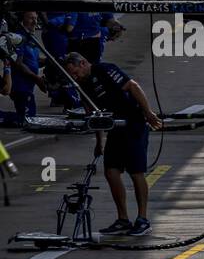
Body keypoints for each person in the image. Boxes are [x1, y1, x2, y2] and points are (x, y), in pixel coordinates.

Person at [58, 51, 162, 237]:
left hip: (133, 123)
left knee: (136, 171)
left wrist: (148, 112)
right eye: (71, 74)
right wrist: (100, 141)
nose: (75, 76)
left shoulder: (105, 70)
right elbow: (94, 116)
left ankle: (142, 219)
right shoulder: (83, 86)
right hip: (114, 127)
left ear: (83, 63)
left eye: (76, 72)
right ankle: (123, 219)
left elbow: (132, 86)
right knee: (111, 171)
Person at [6, 12, 43, 121]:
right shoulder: (18, 38)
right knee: (26, 119)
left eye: (36, 18)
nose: (35, 22)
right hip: (21, 87)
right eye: (31, 18)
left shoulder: (31, 38)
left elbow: (34, 60)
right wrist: (37, 79)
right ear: (22, 20)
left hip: (29, 87)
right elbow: (18, 63)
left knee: (30, 116)